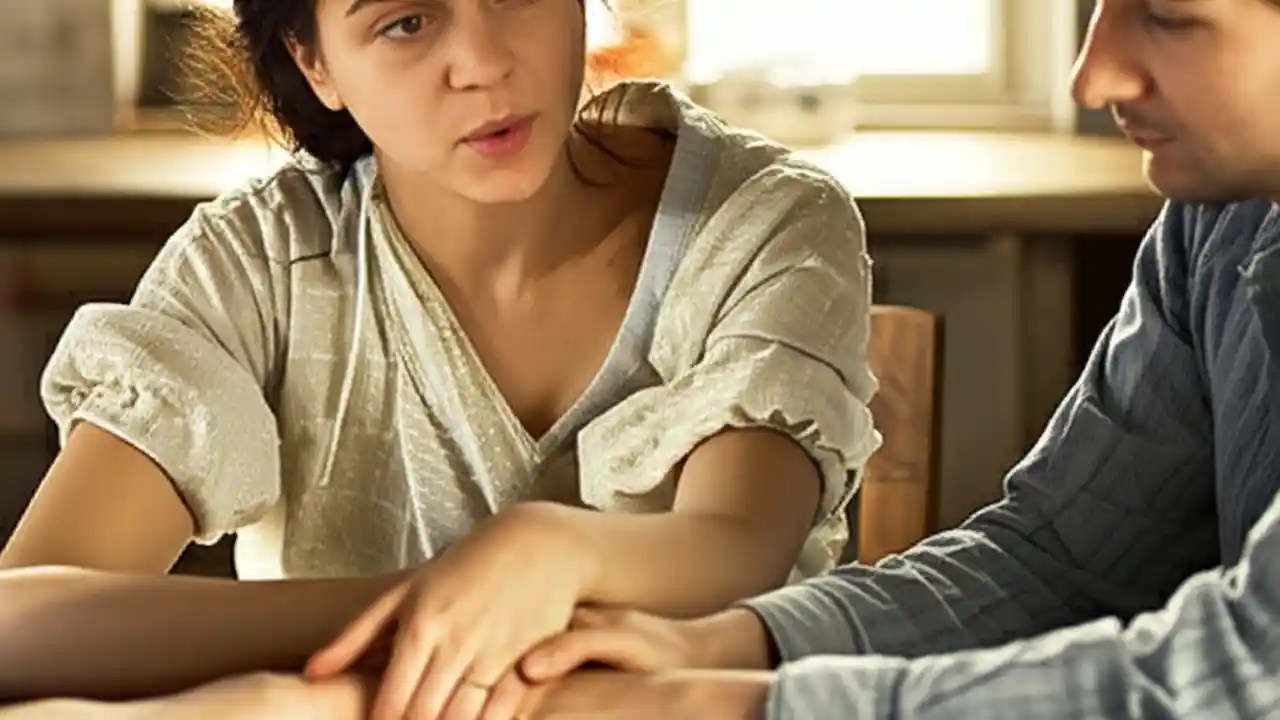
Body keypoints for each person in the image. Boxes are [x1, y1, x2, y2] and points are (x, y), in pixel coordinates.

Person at [0, 0, 878, 718]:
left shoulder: (763, 223)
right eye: (409, 22)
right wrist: (444, 605)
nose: (485, 62)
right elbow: (21, 621)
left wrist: (552, 556)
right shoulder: (262, 263)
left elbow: (736, 547)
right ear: (315, 64)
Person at [493, 0, 1280, 716]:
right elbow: (1063, 557)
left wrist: (722, 707)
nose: (1092, 77)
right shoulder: (1219, 226)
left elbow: (1240, 672)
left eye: (1170, 16)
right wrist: (729, 646)